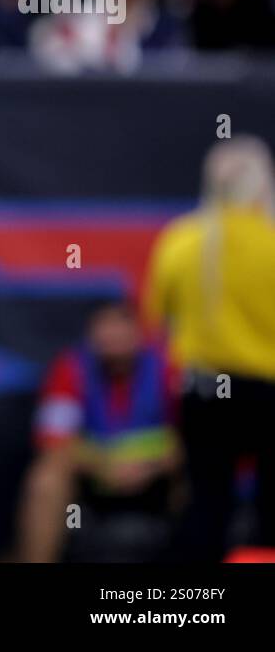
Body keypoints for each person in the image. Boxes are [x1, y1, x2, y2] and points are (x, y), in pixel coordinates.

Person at [143, 135, 275, 561]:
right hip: (268, 393)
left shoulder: (181, 240)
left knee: (206, 504)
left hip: (204, 393)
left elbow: (154, 316)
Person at [16, 301, 181, 562]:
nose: (112, 335)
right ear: (91, 334)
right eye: (104, 327)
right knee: (45, 478)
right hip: (94, 478)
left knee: (200, 467)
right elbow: (52, 439)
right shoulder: (71, 369)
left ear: (139, 332)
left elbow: (192, 436)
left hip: (156, 477)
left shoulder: (169, 367)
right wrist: (104, 467)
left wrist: (152, 466)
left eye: (121, 326)